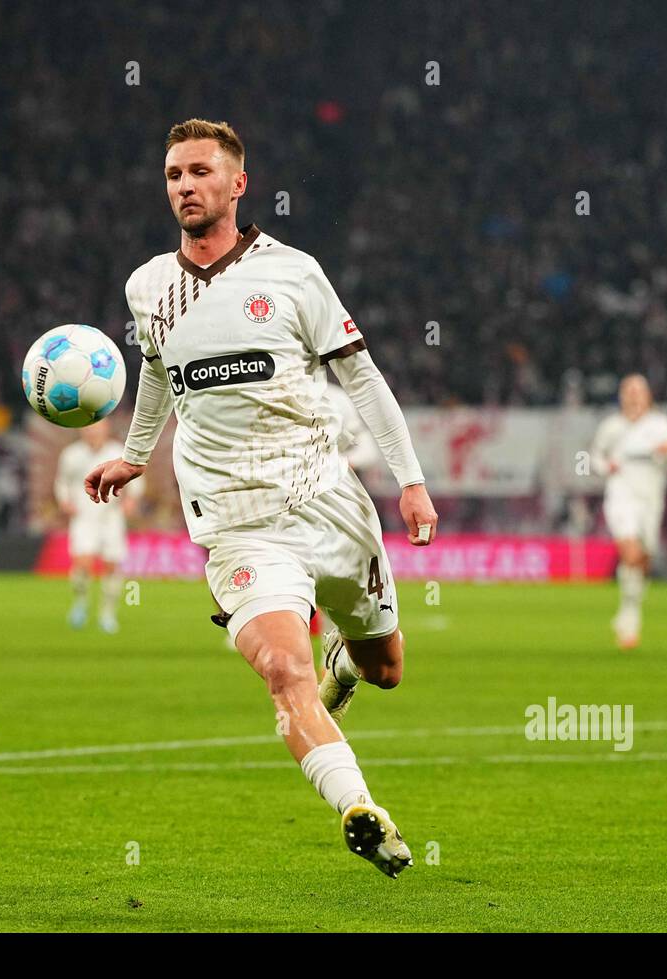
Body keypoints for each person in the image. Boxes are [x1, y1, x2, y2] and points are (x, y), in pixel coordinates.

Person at [84, 118, 438, 878]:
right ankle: (360, 809)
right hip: (237, 524)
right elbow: (155, 372)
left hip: (327, 502)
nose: (185, 185)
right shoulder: (149, 286)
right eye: (175, 173)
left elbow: (362, 379)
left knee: (386, 671)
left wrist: (409, 480)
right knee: (284, 671)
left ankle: (348, 664)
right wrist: (135, 456)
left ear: (237, 184)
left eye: (201, 172)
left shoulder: (294, 274)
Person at [591, 374, 667, 648]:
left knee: (644, 560)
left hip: (651, 501)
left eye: (639, 391)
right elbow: (593, 458)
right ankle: (629, 615)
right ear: (622, 396)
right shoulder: (611, 427)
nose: (634, 396)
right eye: (629, 391)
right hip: (621, 497)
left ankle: (630, 605)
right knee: (631, 552)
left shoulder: (661, 426)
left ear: (648, 396)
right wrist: (603, 467)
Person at [55, 420, 140, 633]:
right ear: (81, 430)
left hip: (111, 517)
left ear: (106, 428)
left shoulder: (118, 452)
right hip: (83, 517)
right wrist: (64, 500)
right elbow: (62, 482)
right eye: (89, 428)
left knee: (111, 565)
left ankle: (107, 613)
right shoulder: (71, 454)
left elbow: (135, 480)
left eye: (97, 428)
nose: (92, 432)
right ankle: (81, 602)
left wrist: (131, 499)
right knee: (82, 563)